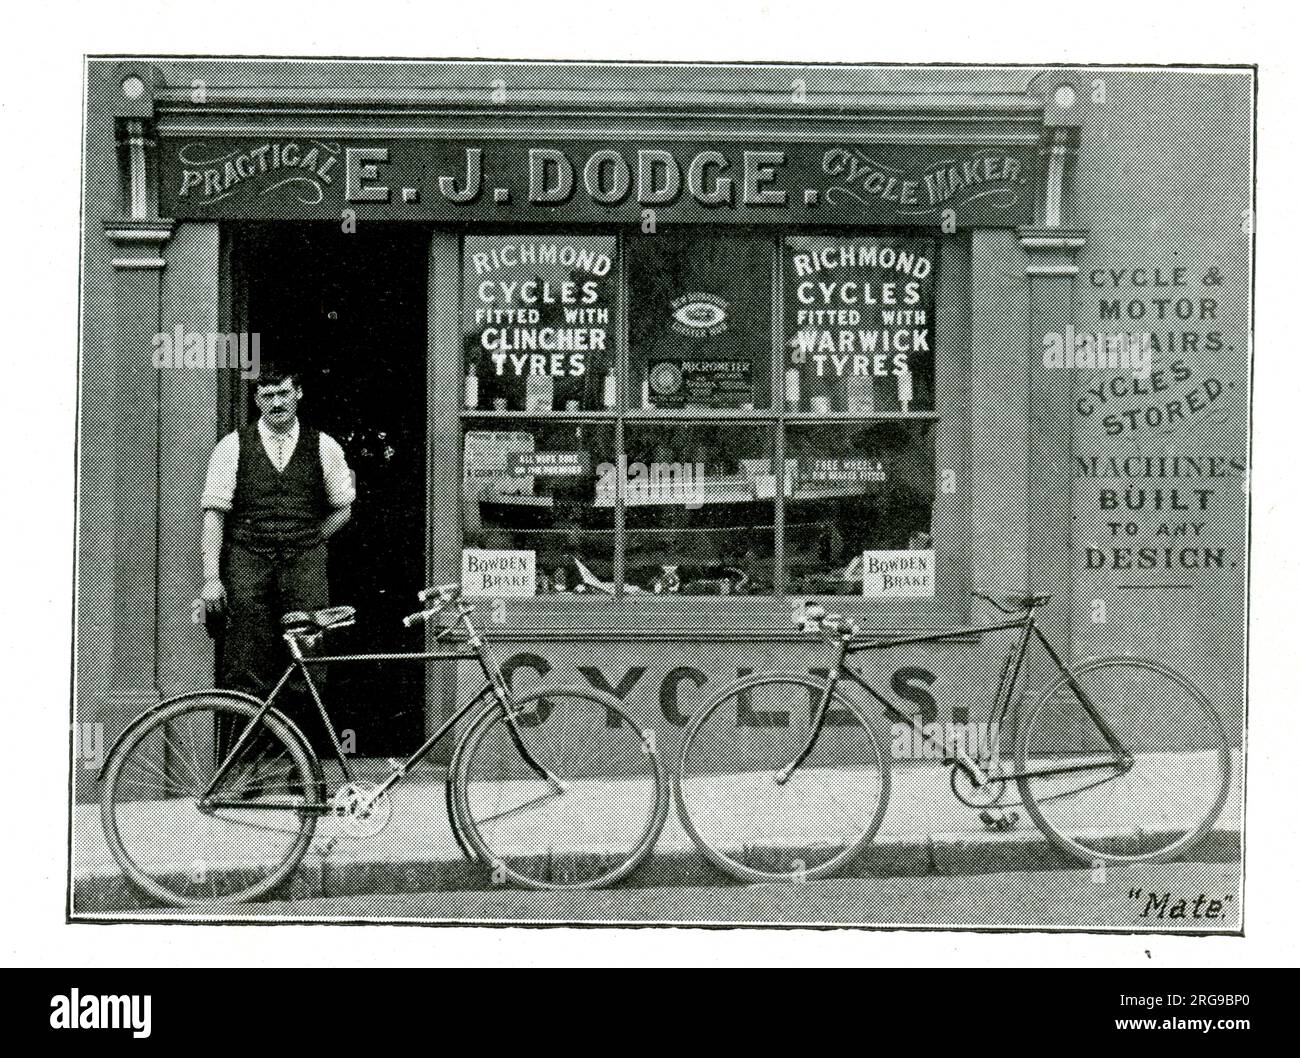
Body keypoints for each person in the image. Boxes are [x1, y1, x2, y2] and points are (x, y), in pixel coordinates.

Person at [200, 364, 355, 751]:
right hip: (247, 562)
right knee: (245, 663)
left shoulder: (325, 446)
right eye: (267, 397)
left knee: (308, 661)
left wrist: (309, 539)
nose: (276, 404)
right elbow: (214, 515)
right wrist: (211, 578)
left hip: (304, 566)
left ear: (298, 394)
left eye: (283, 394)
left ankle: (299, 768)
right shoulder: (232, 446)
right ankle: (244, 767)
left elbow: (343, 508)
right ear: (256, 401)